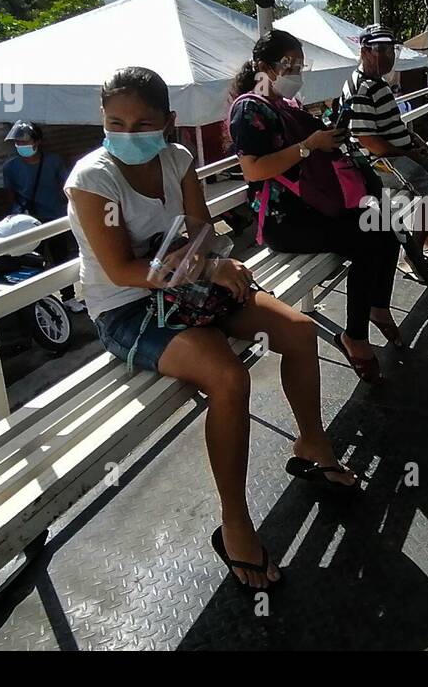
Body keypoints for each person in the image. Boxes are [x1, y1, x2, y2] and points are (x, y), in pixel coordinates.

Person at [66, 66, 357, 591]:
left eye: (143, 122)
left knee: (299, 331)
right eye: (116, 122)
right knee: (228, 378)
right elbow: (122, 271)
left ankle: (312, 443)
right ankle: (235, 521)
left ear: (169, 122)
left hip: (187, 289)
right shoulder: (94, 179)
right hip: (128, 310)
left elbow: (201, 230)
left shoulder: (177, 159)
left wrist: (204, 263)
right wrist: (204, 265)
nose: (128, 133)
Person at [227, 29, 402, 384]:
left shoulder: (285, 104)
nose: (297, 73)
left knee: (386, 226)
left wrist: (328, 136)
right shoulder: (249, 109)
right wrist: (308, 145)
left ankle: (377, 306)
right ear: (264, 67)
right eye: (289, 65)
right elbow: (253, 169)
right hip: (284, 220)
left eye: (299, 66)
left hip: (313, 206)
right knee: (368, 240)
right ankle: (355, 335)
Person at [340, 24, 428, 272]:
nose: (389, 55)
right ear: (365, 51)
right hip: (381, 162)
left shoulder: (379, 83)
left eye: (391, 49)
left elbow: (390, 123)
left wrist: (412, 136)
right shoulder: (360, 89)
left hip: (402, 153)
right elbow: (370, 142)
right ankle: (413, 255)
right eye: (381, 49)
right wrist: (408, 153)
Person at [2, 120, 81, 309]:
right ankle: (39, 304)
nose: (20, 146)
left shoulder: (54, 161)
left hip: (54, 218)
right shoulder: (10, 167)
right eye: (17, 142)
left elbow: (67, 187)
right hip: (26, 222)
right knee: (31, 263)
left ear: (37, 142)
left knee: (61, 258)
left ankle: (68, 297)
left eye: (24, 141)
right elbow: (9, 195)